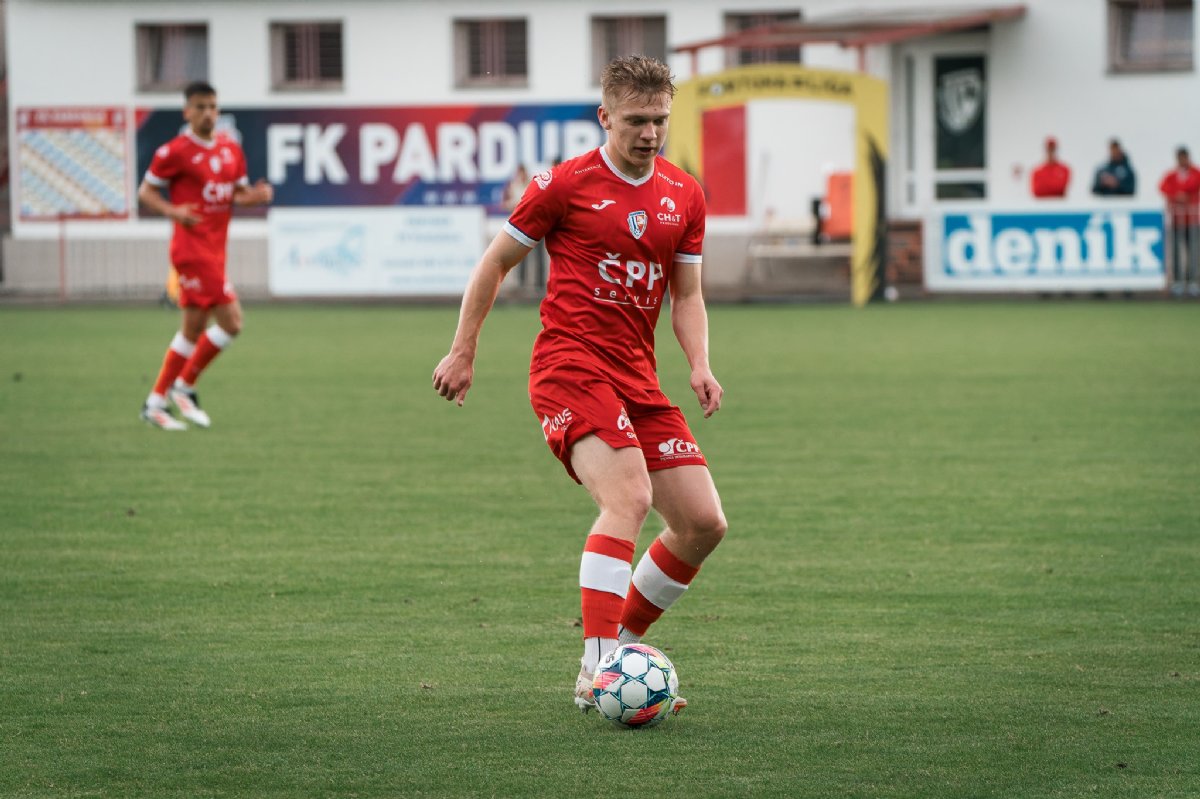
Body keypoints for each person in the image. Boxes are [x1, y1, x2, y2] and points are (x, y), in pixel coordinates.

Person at [432, 55, 727, 715]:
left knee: (703, 522)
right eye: (635, 121)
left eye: (659, 120)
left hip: (636, 375)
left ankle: (617, 651)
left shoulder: (685, 194)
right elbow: (494, 263)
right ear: (606, 118)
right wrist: (463, 350)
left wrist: (700, 363)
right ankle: (601, 673)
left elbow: (687, 294)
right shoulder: (564, 185)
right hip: (569, 364)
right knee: (627, 496)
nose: (649, 133)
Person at [137, 81, 273, 430]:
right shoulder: (174, 151)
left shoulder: (230, 150)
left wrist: (256, 197)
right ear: (187, 112)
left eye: (212, 106)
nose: (207, 113)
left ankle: (156, 402)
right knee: (232, 322)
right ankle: (184, 386)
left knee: (191, 331)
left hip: (215, 249)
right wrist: (173, 211)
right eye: (200, 107)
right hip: (191, 250)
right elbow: (146, 191)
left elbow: (236, 196)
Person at [1158, 146, 1200, 296]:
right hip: (1176, 220)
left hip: (1193, 220)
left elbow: (1194, 186)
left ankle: (1193, 281)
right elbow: (1162, 187)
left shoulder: (1196, 173)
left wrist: (1185, 194)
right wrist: (1177, 195)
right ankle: (1177, 281)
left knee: (1194, 252)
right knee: (1175, 252)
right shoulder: (1172, 175)